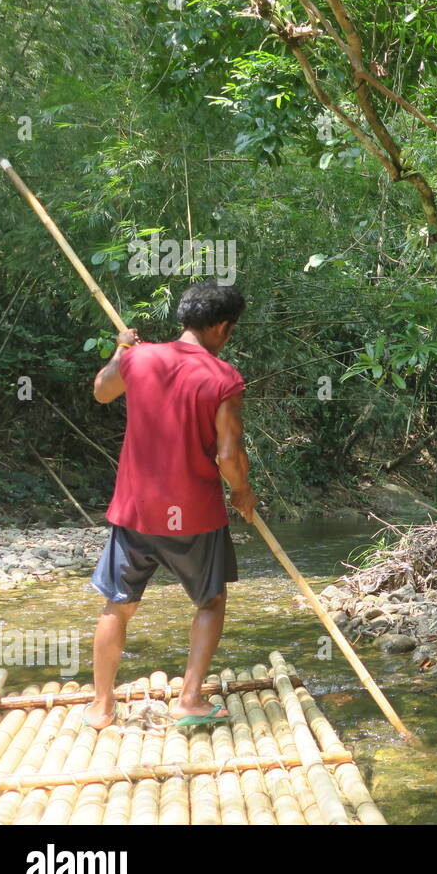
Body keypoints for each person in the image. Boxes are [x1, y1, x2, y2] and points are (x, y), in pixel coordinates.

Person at [84, 281, 258, 730]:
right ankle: (189, 699)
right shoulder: (223, 378)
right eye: (232, 328)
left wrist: (121, 351)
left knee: (117, 606)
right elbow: (227, 454)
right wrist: (241, 491)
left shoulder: (138, 358)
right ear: (220, 327)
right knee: (211, 601)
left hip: (136, 508)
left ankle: (101, 708)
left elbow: (102, 392)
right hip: (194, 514)